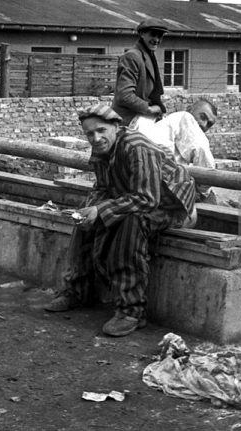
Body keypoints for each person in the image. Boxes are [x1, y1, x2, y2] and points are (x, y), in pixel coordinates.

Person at [45, 104, 197, 337]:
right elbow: (102, 188)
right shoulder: (101, 149)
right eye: (89, 133)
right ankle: (79, 290)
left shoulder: (137, 147)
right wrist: (91, 210)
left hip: (171, 207)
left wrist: (102, 210)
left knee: (131, 224)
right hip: (134, 199)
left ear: (116, 127)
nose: (96, 138)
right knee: (84, 217)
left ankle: (132, 311)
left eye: (101, 130)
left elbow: (147, 199)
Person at [138, 99, 218, 202]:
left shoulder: (169, 131)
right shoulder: (184, 117)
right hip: (156, 185)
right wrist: (203, 192)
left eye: (209, 124)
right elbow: (205, 159)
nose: (204, 124)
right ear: (189, 109)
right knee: (210, 197)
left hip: (149, 185)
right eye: (202, 117)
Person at [111, 18, 169, 129]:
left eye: (160, 36)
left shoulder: (148, 55)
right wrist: (149, 109)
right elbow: (125, 96)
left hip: (143, 116)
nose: (156, 40)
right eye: (153, 35)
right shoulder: (132, 56)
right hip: (128, 120)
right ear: (142, 34)